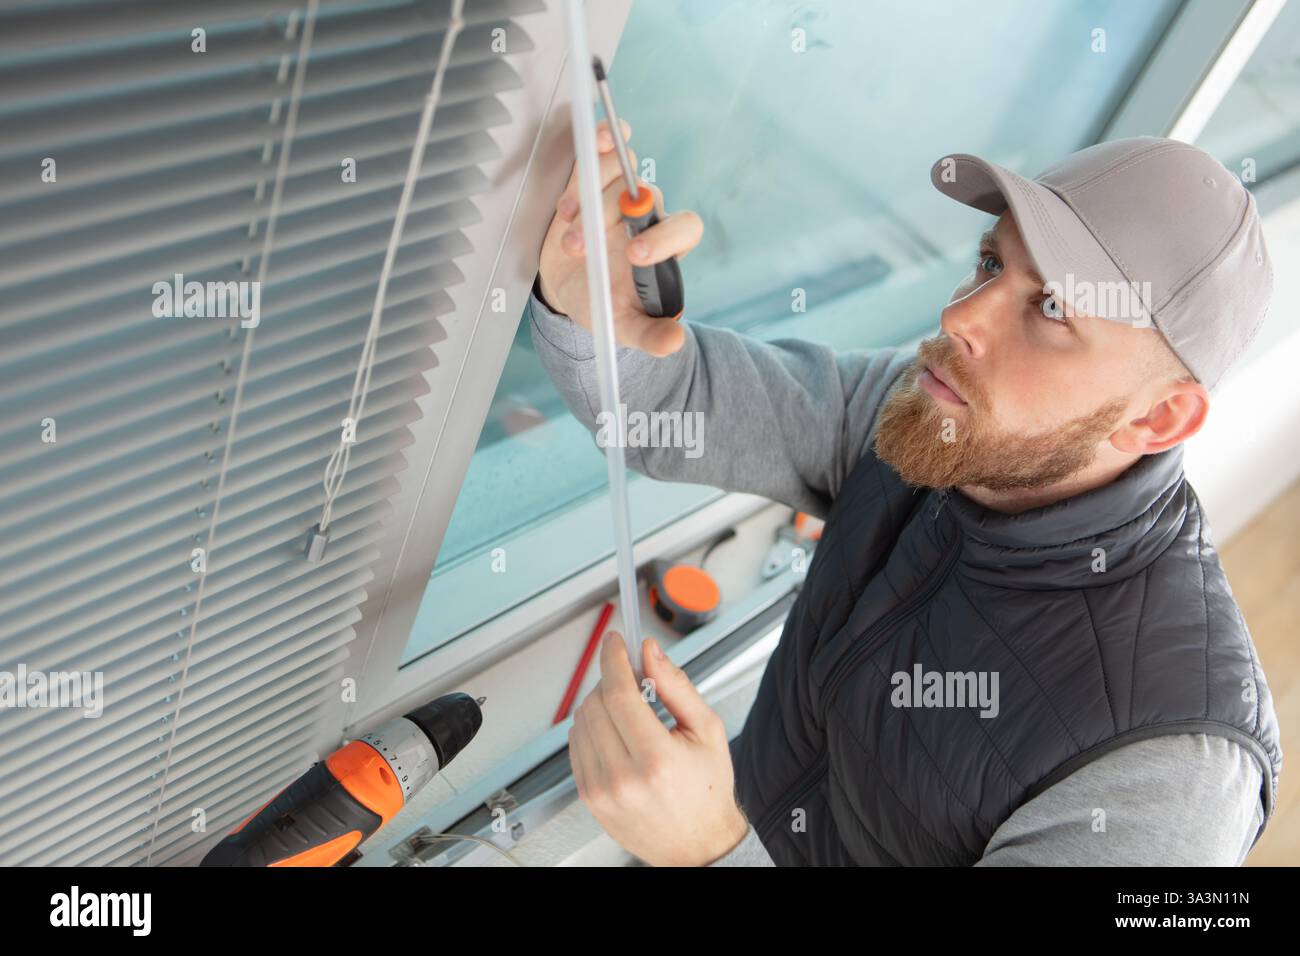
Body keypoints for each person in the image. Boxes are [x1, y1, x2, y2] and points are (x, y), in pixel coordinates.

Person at [532, 122, 1281, 866]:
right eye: (991, 263)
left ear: (1158, 416)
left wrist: (709, 850)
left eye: (1051, 308)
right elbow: (678, 401)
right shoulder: (934, 416)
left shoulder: (1171, 781)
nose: (960, 316)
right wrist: (589, 306)